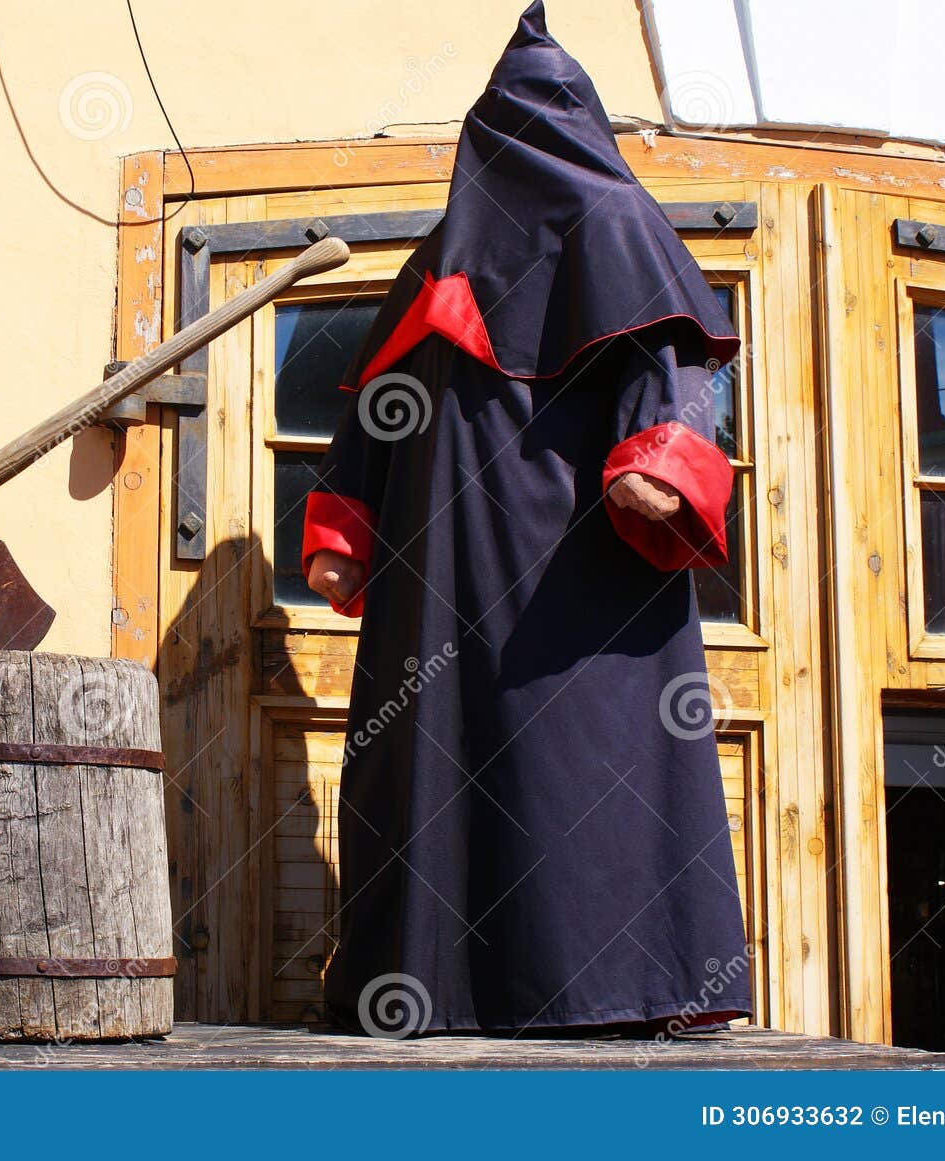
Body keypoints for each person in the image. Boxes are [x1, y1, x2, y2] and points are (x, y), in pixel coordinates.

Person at [301, 1, 753, 1037]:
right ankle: (434, 989)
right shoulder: (433, 265)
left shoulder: (620, 229)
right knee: (433, 756)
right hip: (441, 571)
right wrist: (346, 524)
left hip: (576, 568)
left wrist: (657, 461)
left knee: (577, 767)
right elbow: (378, 410)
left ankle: (600, 987)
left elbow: (670, 365)